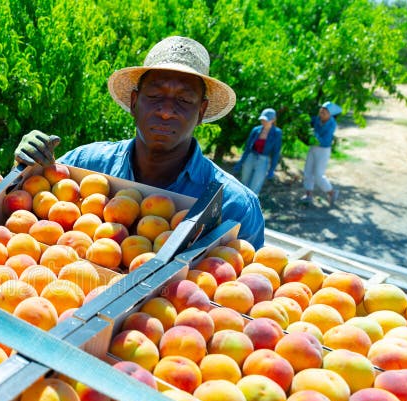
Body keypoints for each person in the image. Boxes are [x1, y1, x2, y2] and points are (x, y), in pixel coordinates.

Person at [14, 36, 265, 249]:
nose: (166, 111)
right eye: (155, 95)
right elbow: (17, 216)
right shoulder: (87, 164)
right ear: (134, 102)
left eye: (184, 100)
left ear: (201, 112)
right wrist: (23, 170)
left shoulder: (234, 206)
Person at [233, 108, 282, 196]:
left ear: (273, 120)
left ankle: (250, 207)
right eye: (262, 119)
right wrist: (241, 162)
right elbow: (247, 148)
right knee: (244, 182)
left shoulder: (277, 133)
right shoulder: (256, 130)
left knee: (255, 186)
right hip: (251, 157)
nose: (263, 121)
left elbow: (276, 152)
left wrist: (272, 169)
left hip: (263, 160)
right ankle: (241, 204)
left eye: (266, 120)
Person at [301, 101, 341, 206]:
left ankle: (332, 193)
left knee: (319, 174)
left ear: (330, 114)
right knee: (308, 171)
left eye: (324, 112)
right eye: (321, 111)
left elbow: (325, 141)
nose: (321, 113)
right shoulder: (317, 119)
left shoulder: (331, 124)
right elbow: (307, 120)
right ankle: (308, 194)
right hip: (313, 147)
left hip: (323, 150)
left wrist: (314, 134)